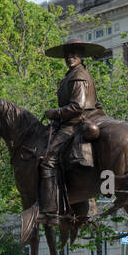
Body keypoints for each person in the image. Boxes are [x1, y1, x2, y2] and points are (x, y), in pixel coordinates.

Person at [38, 36, 109, 225]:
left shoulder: (78, 75)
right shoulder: (77, 74)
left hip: (74, 123)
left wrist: (55, 113)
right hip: (78, 120)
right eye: (67, 55)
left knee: (48, 161)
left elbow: (77, 106)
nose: (70, 57)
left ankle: (51, 209)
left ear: (81, 56)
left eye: (74, 54)